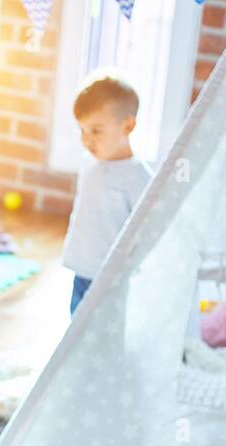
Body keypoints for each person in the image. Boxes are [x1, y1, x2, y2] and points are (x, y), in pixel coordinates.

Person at [63, 72, 152, 315]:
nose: (86, 140)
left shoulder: (138, 178)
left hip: (112, 279)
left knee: (104, 333)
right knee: (77, 328)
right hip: (83, 269)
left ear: (128, 126)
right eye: (82, 130)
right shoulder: (89, 163)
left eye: (96, 131)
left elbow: (146, 231)